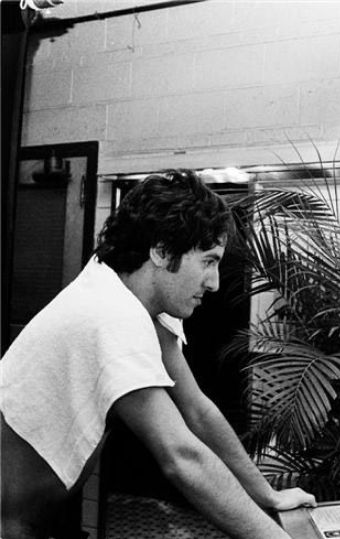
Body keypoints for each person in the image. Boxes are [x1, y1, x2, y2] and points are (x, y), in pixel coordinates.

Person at [0, 169, 315, 539]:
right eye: (209, 261)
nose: (214, 283)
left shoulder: (130, 295)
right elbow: (181, 457)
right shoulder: (111, 313)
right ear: (162, 251)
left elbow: (196, 409)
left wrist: (268, 496)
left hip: (34, 517)